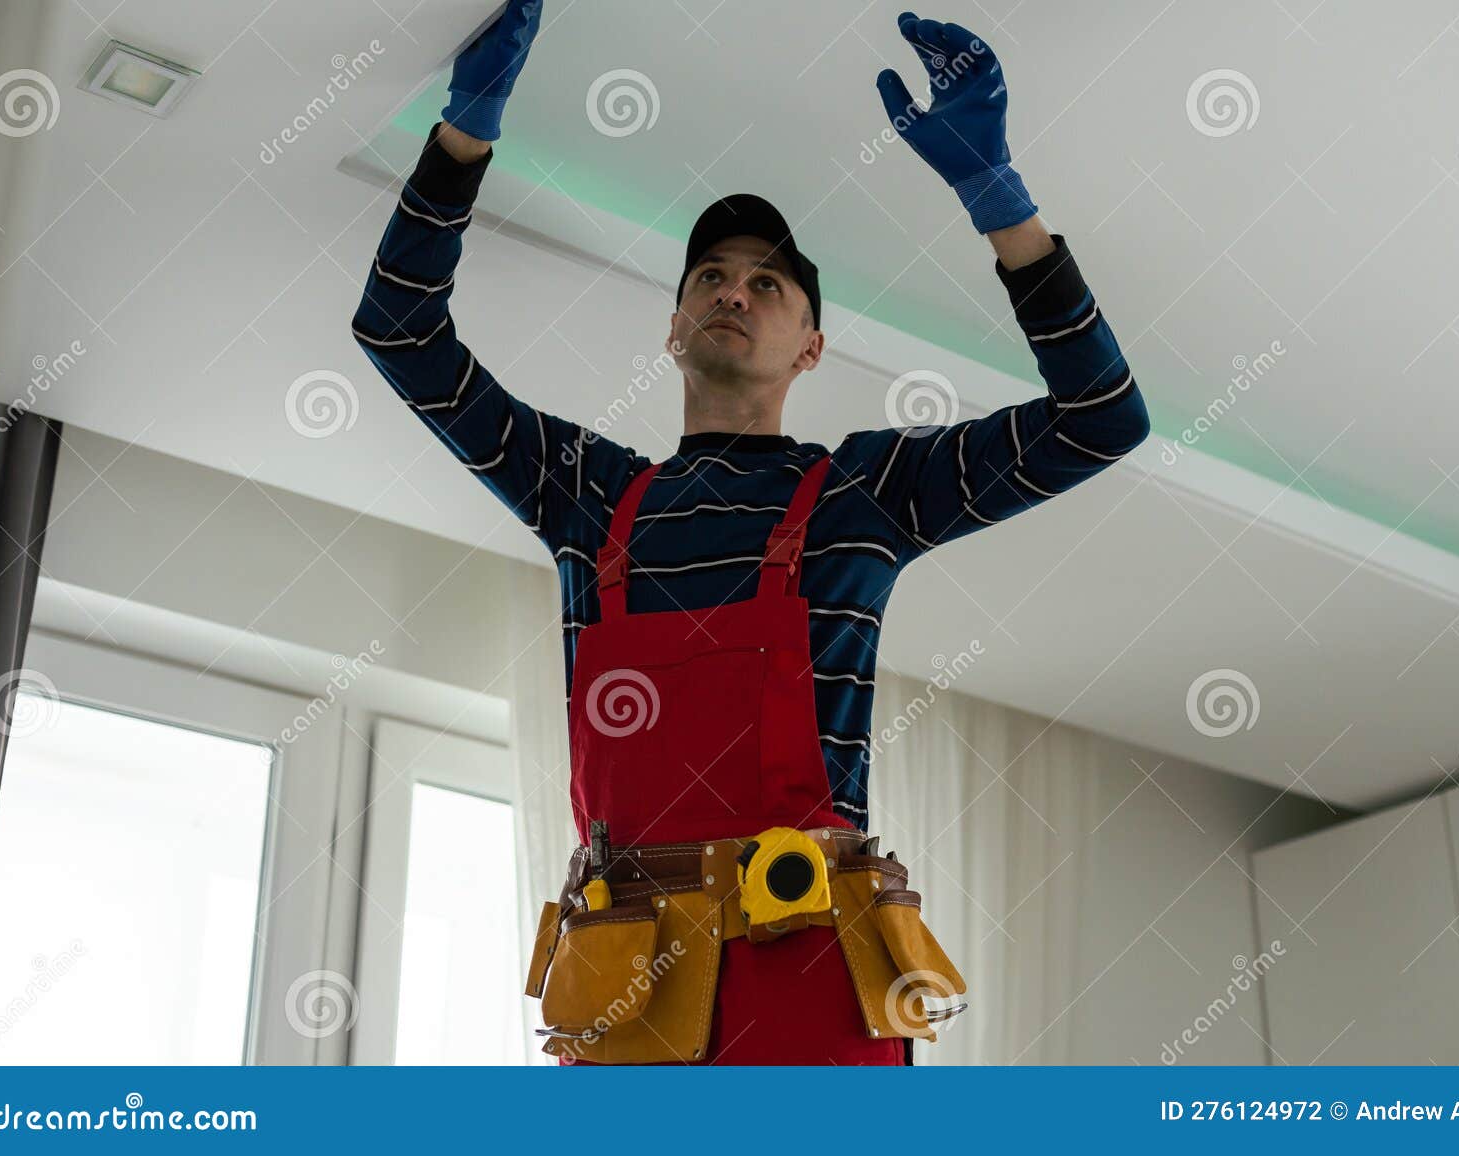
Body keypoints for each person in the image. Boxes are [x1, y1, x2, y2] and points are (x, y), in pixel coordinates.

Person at [351, 2, 1149, 1065]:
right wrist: (464, 134)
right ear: (674, 327)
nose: (734, 291)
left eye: (767, 284)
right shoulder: (589, 497)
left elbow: (1101, 419)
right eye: (711, 279)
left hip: (810, 961)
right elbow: (398, 332)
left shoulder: (865, 492)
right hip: (628, 983)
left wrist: (998, 201)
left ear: (810, 349)